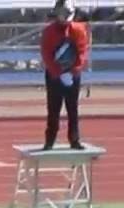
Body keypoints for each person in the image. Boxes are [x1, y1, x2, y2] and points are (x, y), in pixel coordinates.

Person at [40, 0, 90, 150]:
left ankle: (74, 139)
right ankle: (50, 140)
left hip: (72, 75)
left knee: (72, 109)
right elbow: (46, 54)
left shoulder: (79, 30)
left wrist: (73, 71)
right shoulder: (49, 32)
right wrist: (57, 73)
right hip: (54, 75)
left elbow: (82, 52)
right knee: (53, 109)